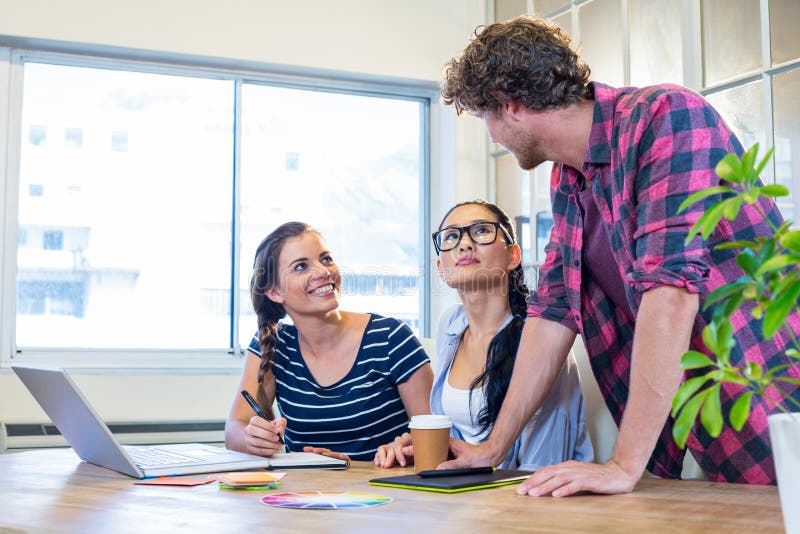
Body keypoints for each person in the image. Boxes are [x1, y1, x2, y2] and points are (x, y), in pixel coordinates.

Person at [437, 15, 800, 496]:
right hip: (703, 410)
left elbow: (670, 291)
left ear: (511, 105)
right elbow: (554, 310)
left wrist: (622, 465)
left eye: (485, 117)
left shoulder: (666, 116)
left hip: (771, 388)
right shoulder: (569, 177)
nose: (490, 135)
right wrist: (492, 448)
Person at [374, 200, 593, 470]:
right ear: (441, 269)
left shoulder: (542, 336)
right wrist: (420, 448)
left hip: (530, 489)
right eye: (451, 236)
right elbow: (460, 447)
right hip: (468, 488)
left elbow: (543, 465)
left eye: (481, 231)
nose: (464, 244)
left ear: (513, 256)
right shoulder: (451, 325)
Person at [225, 222, 434, 461]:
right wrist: (253, 438)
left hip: (381, 483)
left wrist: (394, 453)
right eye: (301, 266)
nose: (323, 271)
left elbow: (438, 438)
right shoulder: (274, 344)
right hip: (304, 485)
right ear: (274, 291)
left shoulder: (390, 337)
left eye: (325, 259)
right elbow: (233, 431)